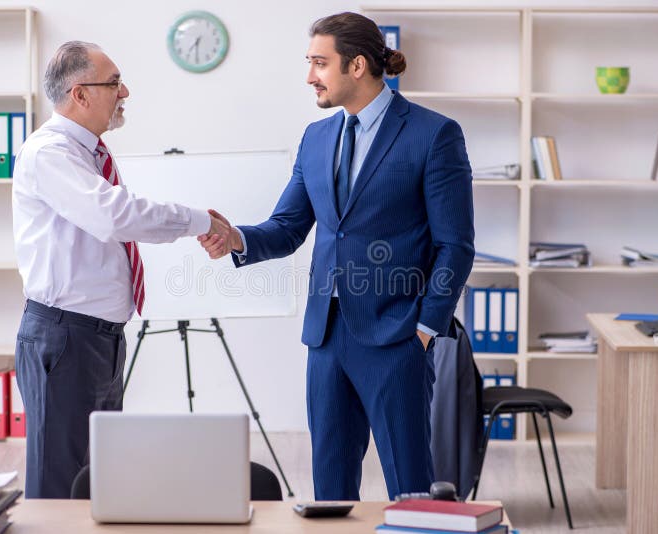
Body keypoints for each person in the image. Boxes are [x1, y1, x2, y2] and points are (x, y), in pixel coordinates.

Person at [198, 12, 475, 500]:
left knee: (410, 487)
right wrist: (236, 238)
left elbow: (455, 245)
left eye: (319, 63)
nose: (309, 76)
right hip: (326, 339)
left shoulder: (434, 134)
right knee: (330, 490)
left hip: (398, 339)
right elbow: (288, 227)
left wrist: (426, 329)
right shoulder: (317, 137)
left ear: (358, 65)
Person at [12, 41, 230, 498]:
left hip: (101, 338)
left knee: (96, 479)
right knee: (59, 485)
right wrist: (200, 221)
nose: (125, 91)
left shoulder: (90, 154)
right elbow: (115, 216)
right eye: (113, 83)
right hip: (66, 336)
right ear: (80, 94)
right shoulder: (50, 152)